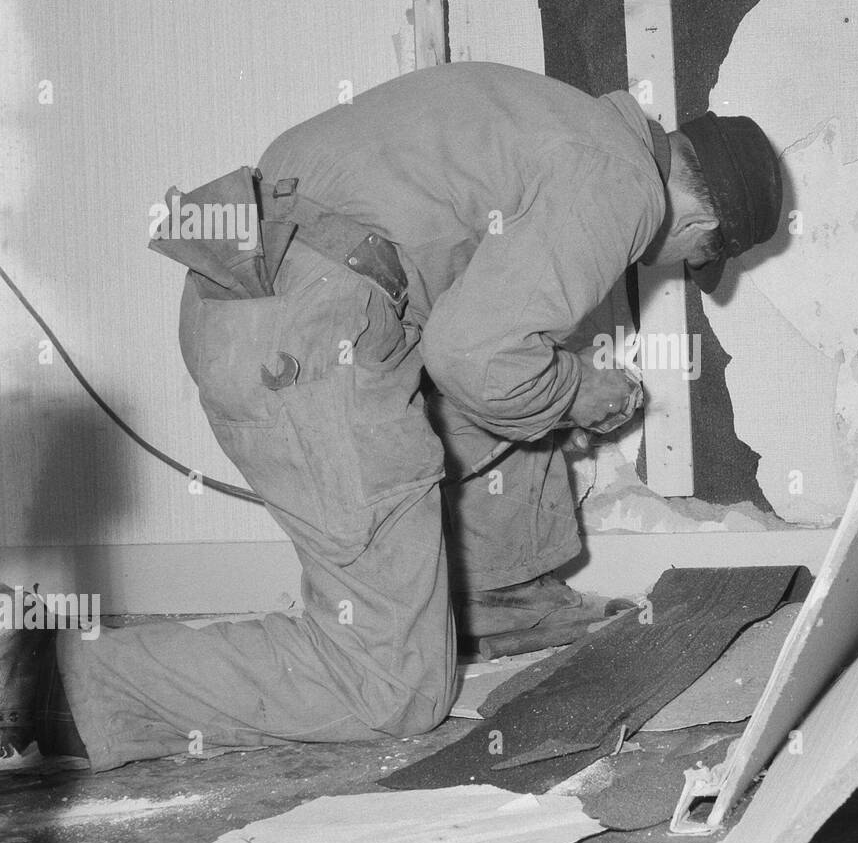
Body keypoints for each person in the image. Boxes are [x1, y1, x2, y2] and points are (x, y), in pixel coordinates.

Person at [1, 62, 782, 771]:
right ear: (701, 229)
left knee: (518, 377)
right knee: (392, 691)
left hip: (261, 301)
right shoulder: (620, 185)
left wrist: (548, 385)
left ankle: (496, 605)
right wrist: (578, 391)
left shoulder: (555, 114)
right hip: (310, 343)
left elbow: (465, 340)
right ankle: (50, 682)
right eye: (696, 254)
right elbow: (478, 359)